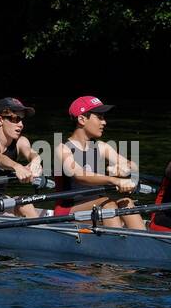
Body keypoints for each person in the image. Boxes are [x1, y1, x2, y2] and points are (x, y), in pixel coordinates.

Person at [52, 96, 145, 229]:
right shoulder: (62, 149)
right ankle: (116, 243)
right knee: (108, 204)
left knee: (127, 202)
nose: (104, 122)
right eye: (99, 117)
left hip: (97, 207)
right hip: (67, 211)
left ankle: (144, 243)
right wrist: (114, 180)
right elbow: (80, 175)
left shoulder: (102, 147)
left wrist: (124, 168)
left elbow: (133, 165)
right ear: (82, 119)